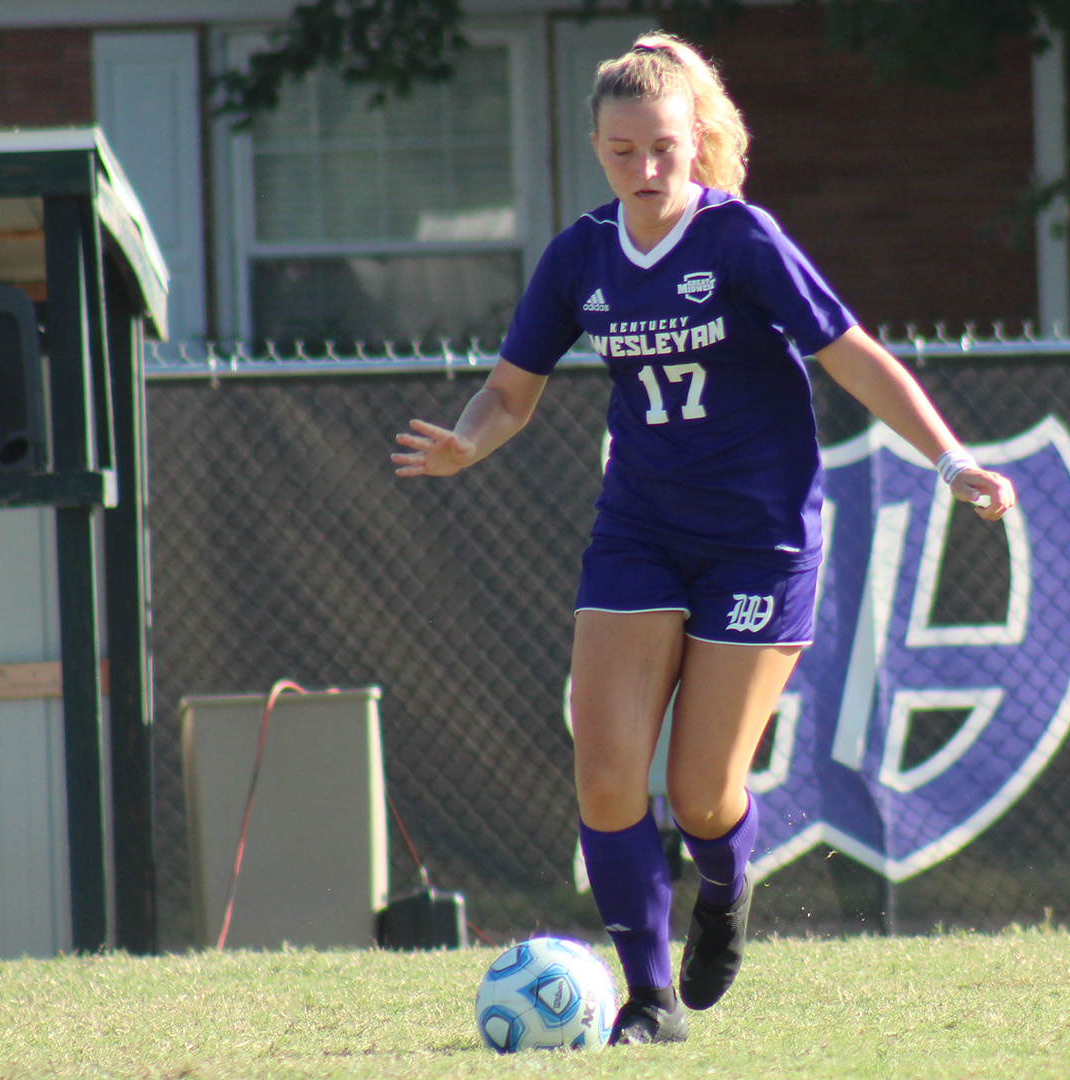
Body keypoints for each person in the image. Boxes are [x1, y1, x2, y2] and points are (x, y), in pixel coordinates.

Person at [393, 33, 1016, 1045]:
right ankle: (649, 1001)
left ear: (696, 143)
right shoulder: (582, 257)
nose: (644, 171)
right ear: (595, 147)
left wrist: (951, 460)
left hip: (759, 543)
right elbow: (509, 394)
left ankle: (723, 887)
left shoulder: (742, 241)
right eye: (622, 151)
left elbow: (853, 358)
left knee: (699, 793)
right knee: (604, 773)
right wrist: (468, 441)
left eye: (664, 149)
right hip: (640, 531)